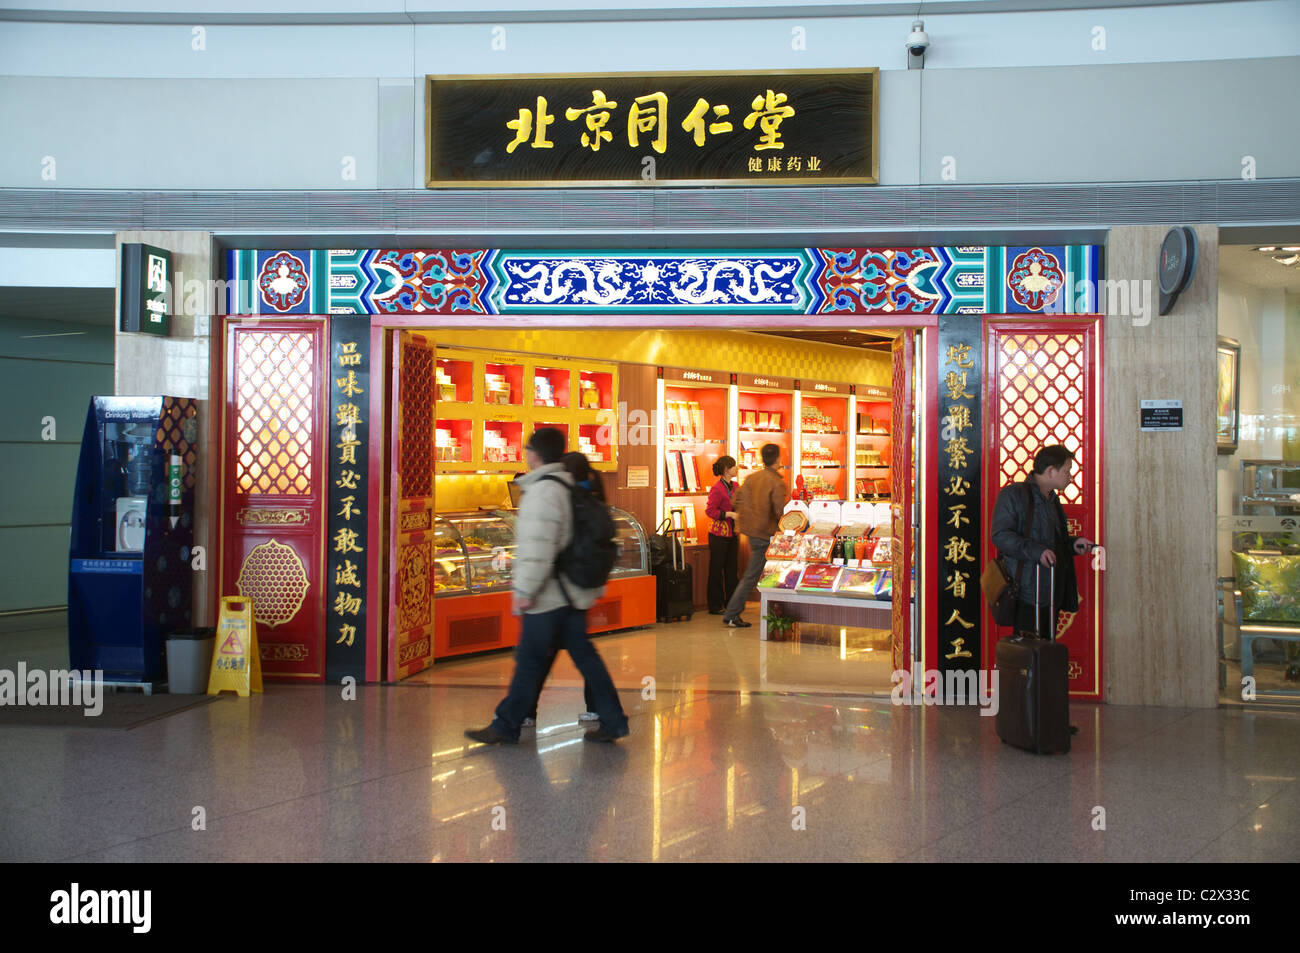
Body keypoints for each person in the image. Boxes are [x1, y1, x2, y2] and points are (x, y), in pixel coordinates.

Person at [465, 429, 629, 745]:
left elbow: (538, 548)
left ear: (534, 454)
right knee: (580, 659)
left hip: (549, 596)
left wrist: (524, 591)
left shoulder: (542, 492)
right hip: (568, 594)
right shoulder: (562, 486)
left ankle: (506, 725)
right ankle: (612, 720)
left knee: (529, 660)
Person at [991, 445, 1097, 735]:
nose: (1070, 476)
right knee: (1029, 659)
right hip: (1026, 591)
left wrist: (1072, 544)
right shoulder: (1013, 495)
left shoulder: (1052, 500)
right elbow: (1000, 536)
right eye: (1066, 471)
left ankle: (1048, 719)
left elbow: (1054, 542)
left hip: (1050, 592)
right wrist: (1036, 551)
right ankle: (1025, 721)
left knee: (1047, 657)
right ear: (1050, 471)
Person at [523, 451, 603, 727]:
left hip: (560, 595)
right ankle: (601, 710)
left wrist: (528, 588)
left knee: (541, 658)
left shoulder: (569, 501)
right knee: (580, 657)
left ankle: (523, 713)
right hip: (578, 593)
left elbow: (549, 546)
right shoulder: (588, 500)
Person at [722, 443, 788, 628]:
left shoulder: (752, 478)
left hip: (751, 532)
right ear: (778, 459)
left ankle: (769, 610)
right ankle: (733, 613)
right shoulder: (776, 482)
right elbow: (778, 511)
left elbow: (735, 500)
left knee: (758, 573)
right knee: (755, 574)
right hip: (766, 533)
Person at [704, 455, 740, 615]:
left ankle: (732, 603)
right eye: (734, 466)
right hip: (718, 535)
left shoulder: (736, 486)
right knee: (717, 570)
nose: (736, 468)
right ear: (727, 469)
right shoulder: (717, 489)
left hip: (733, 533)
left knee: (732, 570)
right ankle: (715, 604)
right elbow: (710, 511)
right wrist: (729, 514)